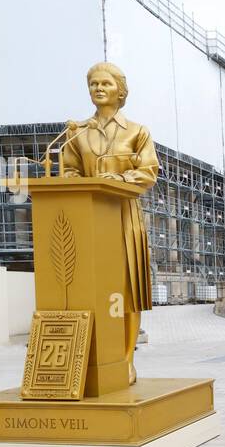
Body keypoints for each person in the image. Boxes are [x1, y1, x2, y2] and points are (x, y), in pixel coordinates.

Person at [59, 63, 159, 384]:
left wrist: (118, 178)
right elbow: (69, 171)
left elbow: (149, 171)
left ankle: (127, 360)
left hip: (124, 217)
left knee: (128, 292)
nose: (98, 89)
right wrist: (79, 184)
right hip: (89, 219)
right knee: (92, 289)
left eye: (106, 83)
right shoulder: (78, 134)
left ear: (120, 90)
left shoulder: (137, 132)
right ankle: (91, 360)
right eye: (93, 84)